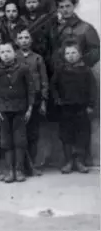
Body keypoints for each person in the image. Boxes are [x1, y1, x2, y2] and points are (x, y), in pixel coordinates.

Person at [0, 42, 35, 183]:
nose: (6, 54)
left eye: (8, 51)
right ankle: (10, 170)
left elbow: (30, 89)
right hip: (3, 111)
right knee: (6, 141)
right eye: (2, 52)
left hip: (20, 109)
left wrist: (30, 108)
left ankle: (19, 170)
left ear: (15, 53)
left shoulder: (23, 69)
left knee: (19, 140)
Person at [50, 40, 97, 174]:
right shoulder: (60, 70)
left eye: (74, 53)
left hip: (82, 108)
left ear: (80, 54)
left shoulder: (86, 70)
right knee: (66, 135)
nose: (71, 56)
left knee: (82, 135)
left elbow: (93, 89)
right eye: (68, 53)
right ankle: (68, 161)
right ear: (64, 55)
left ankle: (80, 161)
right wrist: (57, 99)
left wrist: (91, 105)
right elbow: (53, 87)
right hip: (66, 108)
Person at [14, 26, 48, 176]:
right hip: (18, 100)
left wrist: (44, 101)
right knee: (20, 134)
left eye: (26, 37)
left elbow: (44, 80)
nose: (24, 41)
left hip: (34, 99)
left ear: (31, 40)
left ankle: (32, 164)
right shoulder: (13, 56)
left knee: (33, 133)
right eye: (20, 38)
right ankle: (21, 165)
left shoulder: (37, 58)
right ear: (16, 41)